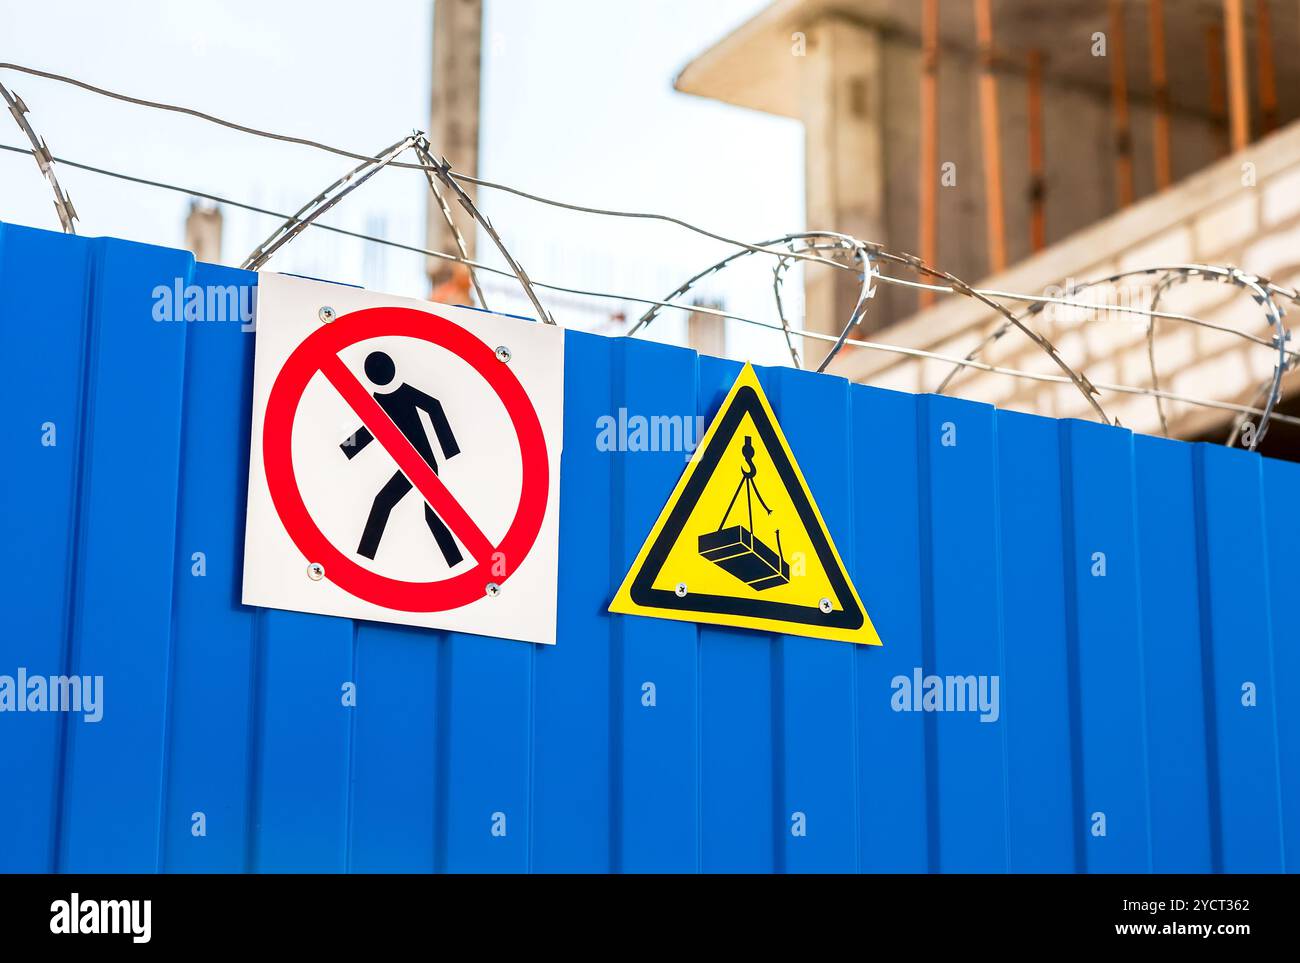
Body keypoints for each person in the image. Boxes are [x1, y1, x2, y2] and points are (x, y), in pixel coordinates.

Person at [340, 350, 463, 566]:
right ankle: (456, 561)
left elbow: (433, 406)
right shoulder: (379, 402)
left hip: (422, 464)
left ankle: (364, 559)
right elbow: (368, 431)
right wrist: (346, 448)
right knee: (427, 513)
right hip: (411, 465)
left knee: (386, 503)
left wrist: (449, 449)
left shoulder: (403, 392)